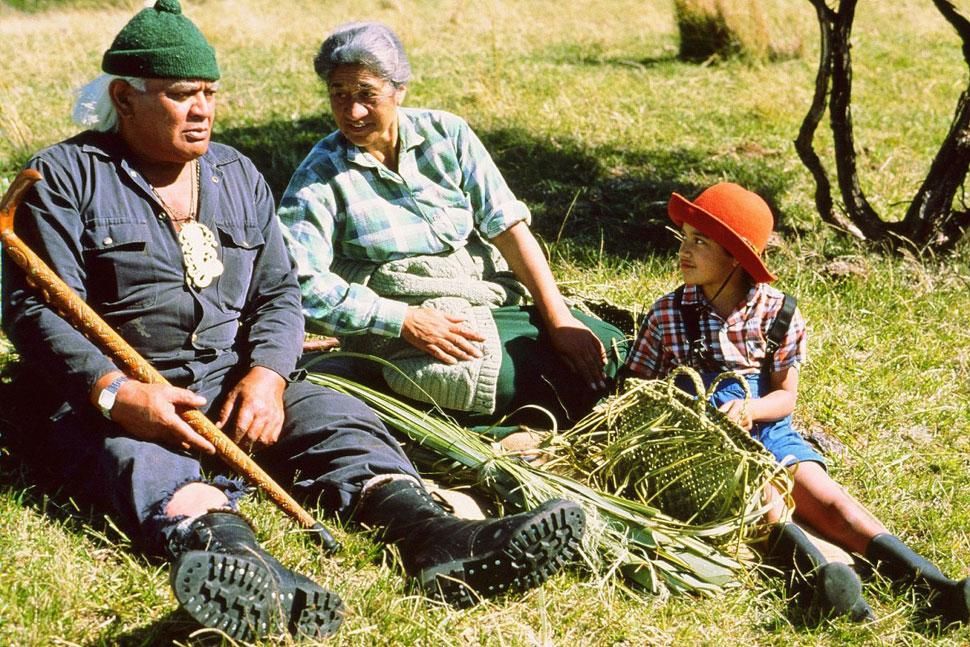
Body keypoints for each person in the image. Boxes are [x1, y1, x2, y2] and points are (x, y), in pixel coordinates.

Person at [0, 1, 585, 642]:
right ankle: (236, 563)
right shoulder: (64, 178)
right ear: (126, 97)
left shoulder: (237, 174)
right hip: (129, 393)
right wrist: (118, 393)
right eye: (179, 95)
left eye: (209, 94)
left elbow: (280, 295)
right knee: (136, 456)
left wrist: (270, 376)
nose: (201, 110)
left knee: (338, 418)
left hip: (232, 379)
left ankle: (435, 538)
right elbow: (35, 310)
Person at [624, 182, 969, 626]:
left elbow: (785, 397)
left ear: (736, 256)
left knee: (831, 503)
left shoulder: (778, 314)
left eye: (699, 242)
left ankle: (935, 586)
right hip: (706, 440)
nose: (683, 252)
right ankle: (823, 586)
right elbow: (636, 387)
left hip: (767, 426)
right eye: (684, 239)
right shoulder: (669, 313)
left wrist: (750, 411)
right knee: (768, 501)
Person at [277, 21, 628, 434]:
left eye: (366, 95)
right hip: (403, 321)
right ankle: (501, 435)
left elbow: (508, 227)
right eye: (339, 95)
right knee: (506, 378)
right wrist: (401, 319)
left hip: (486, 296)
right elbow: (299, 282)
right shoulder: (321, 174)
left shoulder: (447, 134)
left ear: (399, 89)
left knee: (609, 349)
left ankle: (521, 427)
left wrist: (560, 319)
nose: (352, 112)